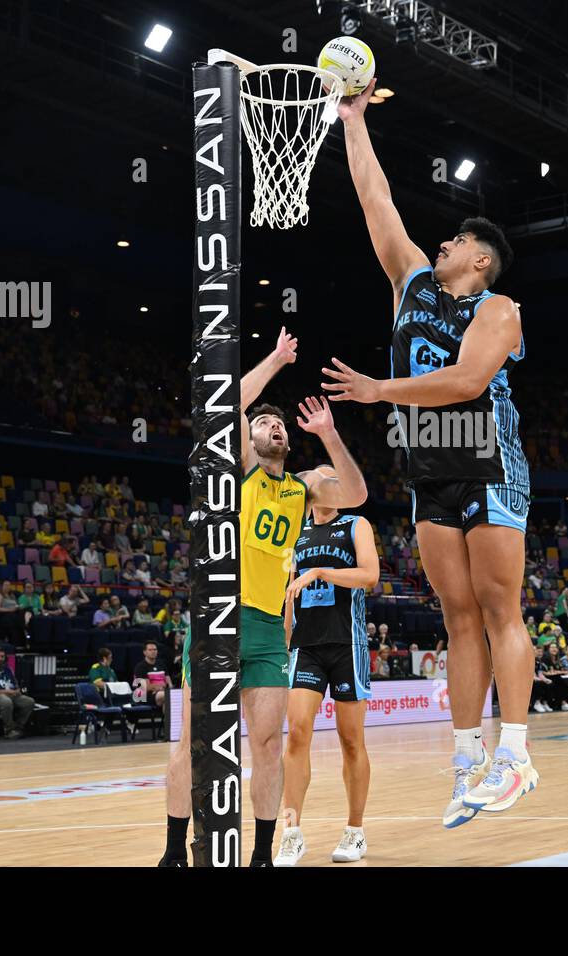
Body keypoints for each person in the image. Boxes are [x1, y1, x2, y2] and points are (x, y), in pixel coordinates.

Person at [328, 80, 534, 828]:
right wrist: (351, 122)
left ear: (480, 259)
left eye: (456, 241)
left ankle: (514, 754)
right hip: (427, 470)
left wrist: (381, 391)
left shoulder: (497, 308)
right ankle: (465, 759)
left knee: (498, 607)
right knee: (455, 617)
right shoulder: (412, 282)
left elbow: (469, 380)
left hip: (485, 457)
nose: (441, 242)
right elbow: (374, 196)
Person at [160, 329, 369, 868]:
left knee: (269, 747)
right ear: (248, 439)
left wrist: (327, 434)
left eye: (279, 424)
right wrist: (276, 359)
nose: (273, 427)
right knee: (194, 744)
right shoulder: (241, 472)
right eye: (264, 424)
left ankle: (260, 854)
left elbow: (357, 494)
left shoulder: (300, 488)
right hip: (218, 619)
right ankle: (173, 852)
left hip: (268, 631)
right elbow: (229, 404)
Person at [275, 466, 379, 866]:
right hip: (305, 646)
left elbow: (369, 575)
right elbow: (288, 593)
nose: (318, 481)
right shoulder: (294, 532)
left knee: (351, 741)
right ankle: (292, 832)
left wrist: (320, 572)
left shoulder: (356, 524)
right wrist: (282, 643)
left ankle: (355, 831)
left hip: (346, 644)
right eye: (318, 477)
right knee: (297, 735)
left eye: (326, 477)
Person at [0, 646, 35, 739]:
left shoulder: (9, 670)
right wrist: (5, 692)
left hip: (11, 695)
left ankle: (18, 727)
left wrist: (17, 691)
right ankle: (9, 730)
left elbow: (16, 686)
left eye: (2, 656)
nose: (0, 659)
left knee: (29, 702)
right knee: (5, 701)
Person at [132, 640, 170, 709]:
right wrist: (160, 687)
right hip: (145, 696)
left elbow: (169, 682)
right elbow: (146, 687)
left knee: (172, 696)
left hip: (160, 693)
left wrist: (161, 687)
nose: (153, 651)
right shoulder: (140, 667)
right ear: (144, 652)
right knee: (167, 695)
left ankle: (168, 719)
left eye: (155, 649)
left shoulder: (161, 664)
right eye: (150, 650)